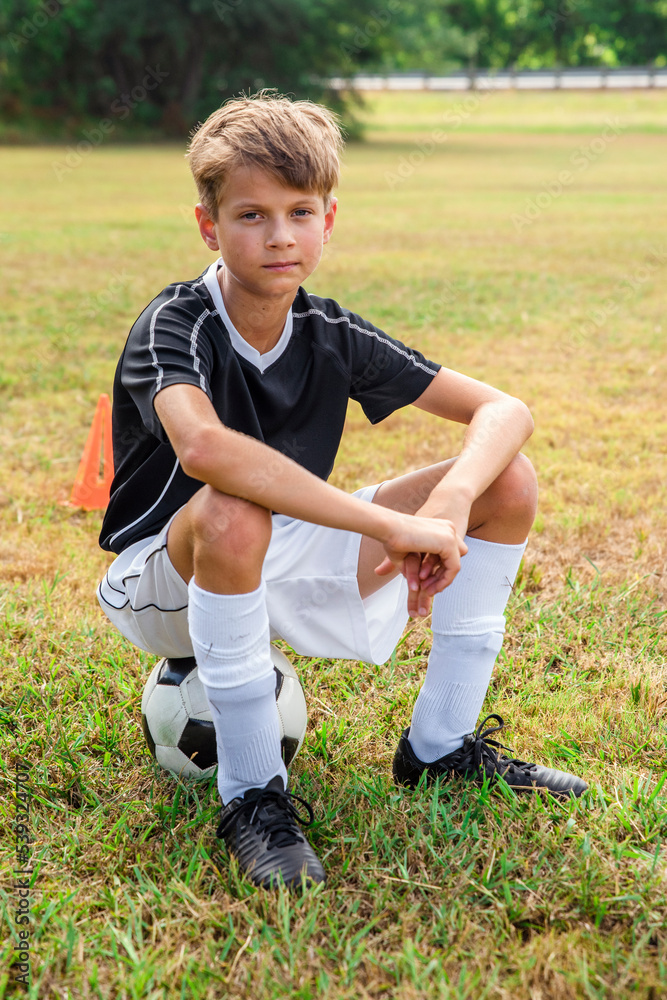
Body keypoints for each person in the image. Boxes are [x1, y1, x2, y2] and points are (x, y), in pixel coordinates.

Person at [96, 91, 587, 891]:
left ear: (330, 217)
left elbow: (504, 411)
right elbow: (208, 451)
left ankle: (439, 748)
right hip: (163, 574)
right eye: (252, 215)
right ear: (207, 225)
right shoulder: (176, 322)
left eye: (299, 211)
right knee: (233, 510)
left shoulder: (329, 331)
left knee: (509, 477)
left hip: (280, 542)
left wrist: (449, 504)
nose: (280, 235)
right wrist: (385, 526)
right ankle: (252, 796)